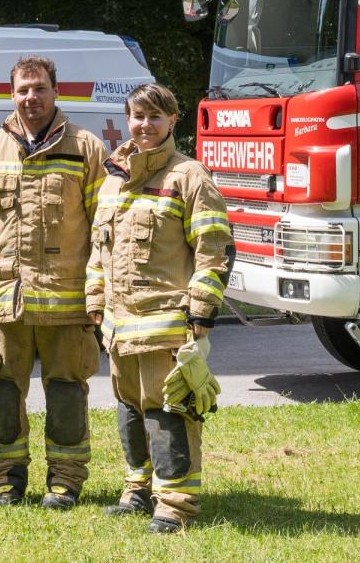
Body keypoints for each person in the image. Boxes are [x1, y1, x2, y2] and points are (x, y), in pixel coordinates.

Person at [0, 55, 106, 508]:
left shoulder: (86, 150)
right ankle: (7, 483)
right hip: (2, 304)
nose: (31, 97)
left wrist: (99, 291)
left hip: (66, 304)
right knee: (1, 395)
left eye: (39, 88)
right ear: (11, 93)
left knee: (66, 398)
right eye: (22, 89)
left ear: (56, 91)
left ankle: (65, 483)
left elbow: (104, 226)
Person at [85, 83, 233, 533]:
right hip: (118, 325)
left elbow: (215, 248)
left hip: (168, 323)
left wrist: (203, 308)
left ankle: (175, 504)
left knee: (170, 409)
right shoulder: (112, 179)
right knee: (129, 407)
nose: (144, 125)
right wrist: (95, 301)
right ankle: (136, 489)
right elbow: (99, 250)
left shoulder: (190, 176)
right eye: (137, 116)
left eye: (154, 117)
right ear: (127, 120)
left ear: (172, 121)